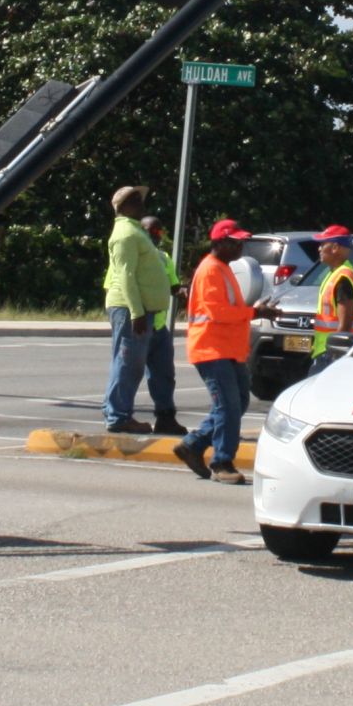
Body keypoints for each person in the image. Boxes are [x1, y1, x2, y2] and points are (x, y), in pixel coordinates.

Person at [173, 219, 255, 484]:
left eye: (242, 242)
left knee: (238, 402)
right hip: (212, 348)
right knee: (228, 406)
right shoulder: (210, 269)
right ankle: (222, 463)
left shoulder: (223, 268)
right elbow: (217, 311)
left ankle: (193, 444)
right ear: (219, 242)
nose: (240, 247)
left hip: (227, 349)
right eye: (235, 242)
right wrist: (255, 312)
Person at [100, 185, 180, 436]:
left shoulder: (136, 232)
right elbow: (125, 276)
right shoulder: (125, 234)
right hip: (131, 309)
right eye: (134, 199)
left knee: (155, 367)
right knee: (128, 364)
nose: (140, 203)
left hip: (149, 313)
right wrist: (136, 312)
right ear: (122, 207)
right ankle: (118, 416)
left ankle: (163, 417)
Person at [306, 225, 353, 371]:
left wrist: (335, 354)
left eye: (322, 244)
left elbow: (344, 325)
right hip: (329, 351)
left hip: (333, 354)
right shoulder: (336, 273)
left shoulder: (342, 278)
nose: (319, 249)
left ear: (335, 247)